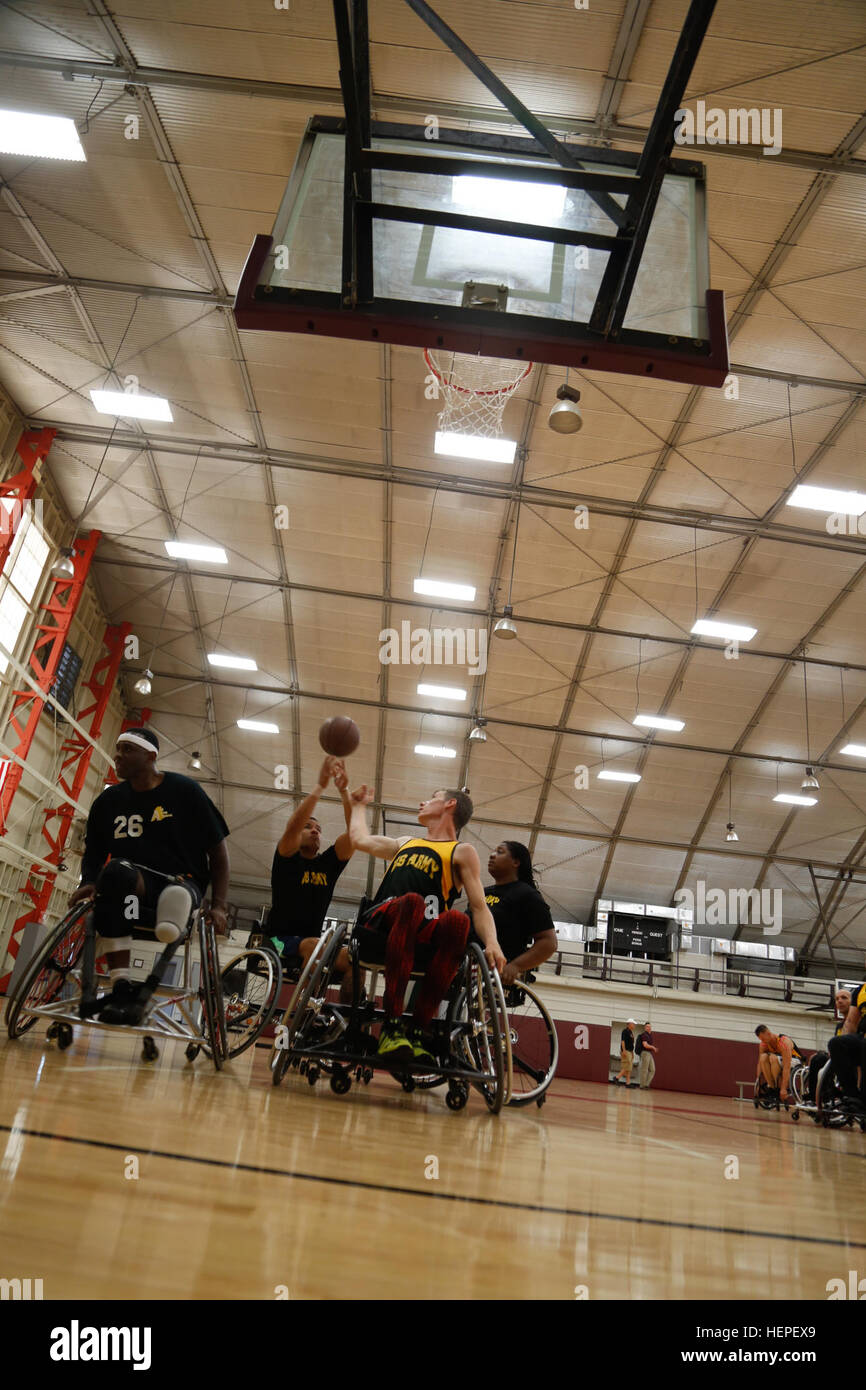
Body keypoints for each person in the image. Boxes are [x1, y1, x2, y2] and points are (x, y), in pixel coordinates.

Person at [69, 728, 229, 1024]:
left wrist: (219, 905)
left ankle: (174, 909)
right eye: (117, 748)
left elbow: (218, 852)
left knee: (176, 893)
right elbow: (93, 852)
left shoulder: (184, 791)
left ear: (151, 756)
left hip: (182, 879)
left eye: (127, 750)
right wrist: (89, 882)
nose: (118, 755)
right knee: (115, 873)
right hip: (130, 892)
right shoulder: (108, 802)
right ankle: (120, 983)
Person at [348, 784, 505, 1065]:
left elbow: (479, 906)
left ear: (450, 805)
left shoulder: (462, 852)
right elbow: (359, 839)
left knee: (458, 920)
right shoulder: (405, 842)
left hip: (421, 939)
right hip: (379, 928)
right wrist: (359, 806)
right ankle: (392, 1024)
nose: (423, 802)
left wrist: (492, 943)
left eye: (431, 798)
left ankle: (419, 1030)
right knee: (412, 903)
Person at [267, 755, 355, 999]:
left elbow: (354, 833)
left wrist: (344, 789)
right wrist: (320, 785)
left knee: (354, 958)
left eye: (318, 829)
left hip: (314, 941)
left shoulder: (326, 865)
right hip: (277, 940)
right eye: (309, 827)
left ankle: (350, 1018)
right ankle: (309, 1012)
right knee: (312, 946)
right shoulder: (286, 856)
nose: (315, 830)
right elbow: (293, 826)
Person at [477, 841, 557, 985]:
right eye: (493, 851)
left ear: (515, 862)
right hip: (469, 965)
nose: (492, 855)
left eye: (500, 852)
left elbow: (548, 942)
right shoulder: (482, 892)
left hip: (495, 974)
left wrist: (516, 966)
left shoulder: (527, 895)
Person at [806, 989, 850, 1102]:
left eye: (844, 998)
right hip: (837, 1061)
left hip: (852, 1061)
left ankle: (831, 1093)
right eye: (837, 999)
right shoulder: (839, 1026)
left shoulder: (857, 1022)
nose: (839, 1001)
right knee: (817, 1058)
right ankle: (815, 1097)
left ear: (853, 1002)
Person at [828, 982, 866, 1108]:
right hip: (863, 1039)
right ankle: (852, 1095)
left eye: (844, 998)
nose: (839, 1001)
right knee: (836, 1043)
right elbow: (851, 1022)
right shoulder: (860, 990)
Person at [754, 1025, 803, 1104]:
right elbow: (760, 1064)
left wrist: (783, 1089)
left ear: (768, 1034)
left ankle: (778, 1088)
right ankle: (772, 1087)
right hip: (780, 1060)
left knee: (773, 1058)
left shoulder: (784, 1042)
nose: (762, 1041)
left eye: (763, 1039)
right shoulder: (764, 1044)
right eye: (760, 1039)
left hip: (796, 1060)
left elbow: (786, 1066)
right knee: (763, 1058)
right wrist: (758, 1083)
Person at [612, 1019, 637, 1087]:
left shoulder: (631, 1032)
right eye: (633, 1024)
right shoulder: (625, 1031)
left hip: (630, 1051)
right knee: (626, 1066)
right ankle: (617, 1077)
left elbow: (631, 1044)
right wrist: (624, 1050)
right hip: (626, 1051)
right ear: (629, 1024)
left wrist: (632, 1053)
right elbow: (623, 1041)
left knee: (629, 1068)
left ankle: (627, 1083)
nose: (634, 1025)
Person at [636, 1021, 658, 1089]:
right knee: (644, 1070)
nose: (649, 1028)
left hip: (649, 1053)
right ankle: (642, 1085)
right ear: (645, 1028)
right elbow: (645, 1045)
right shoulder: (644, 1035)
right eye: (647, 1027)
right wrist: (653, 1047)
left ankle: (646, 1084)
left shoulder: (649, 1035)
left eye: (650, 1027)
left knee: (652, 1070)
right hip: (645, 1053)